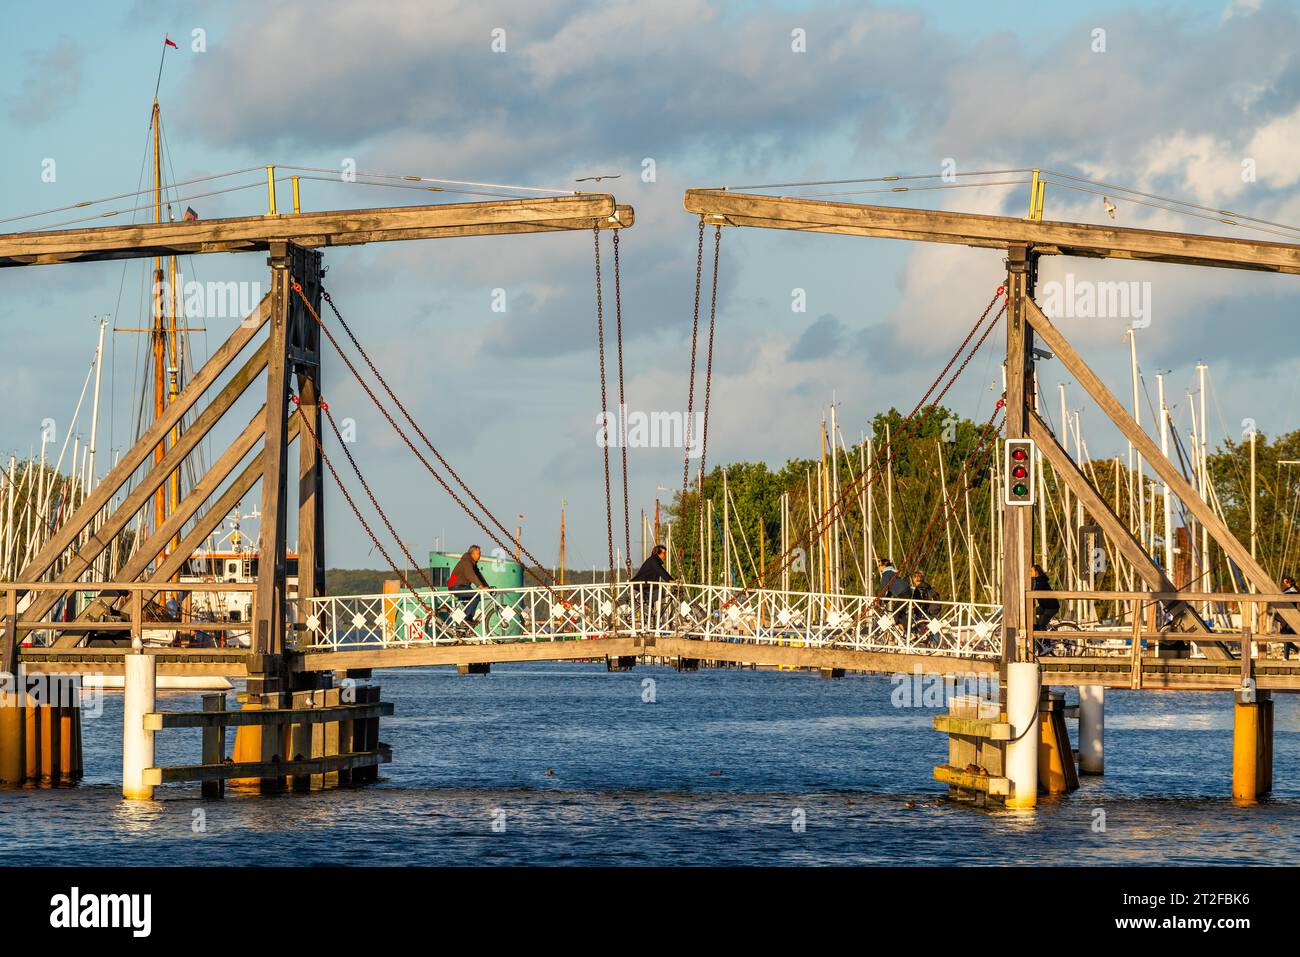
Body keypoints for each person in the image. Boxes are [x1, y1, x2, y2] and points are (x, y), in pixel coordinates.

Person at [632, 544, 675, 625]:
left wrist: (672, 580)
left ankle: (652, 620)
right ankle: (652, 620)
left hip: (647, 586)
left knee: (654, 598)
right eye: (664, 553)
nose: (665, 556)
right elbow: (660, 571)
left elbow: (663, 571)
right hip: (641, 585)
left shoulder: (655, 561)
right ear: (658, 553)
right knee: (656, 596)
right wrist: (670, 581)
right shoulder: (653, 561)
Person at [448, 545, 491, 626]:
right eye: (478, 553)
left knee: (470, 602)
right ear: (472, 554)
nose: (479, 556)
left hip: (462, 586)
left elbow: (478, 575)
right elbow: (470, 575)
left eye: (480, 553)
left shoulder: (472, 563)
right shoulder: (466, 562)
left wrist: (487, 586)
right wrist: (481, 587)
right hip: (456, 587)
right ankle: (468, 619)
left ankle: (463, 625)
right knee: (476, 596)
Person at [1029, 563, 1060, 632]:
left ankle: (1046, 641)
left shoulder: (1041, 581)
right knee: (1029, 612)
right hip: (1044, 606)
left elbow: (1037, 591)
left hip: (1051, 607)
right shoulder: (1037, 580)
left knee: (1042, 625)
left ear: (1036, 572)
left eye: (1032, 571)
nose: (1030, 573)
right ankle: (1036, 627)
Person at [1277, 575, 1298, 658]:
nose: (1284, 583)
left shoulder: (1295, 589)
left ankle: (1286, 657)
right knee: (1285, 634)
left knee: (1286, 634)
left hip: (1292, 614)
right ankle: (1295, 650)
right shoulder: (1286, 590)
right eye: (1284, 582)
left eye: (1286, 581)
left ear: (1289, 581)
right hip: (1285, 614)